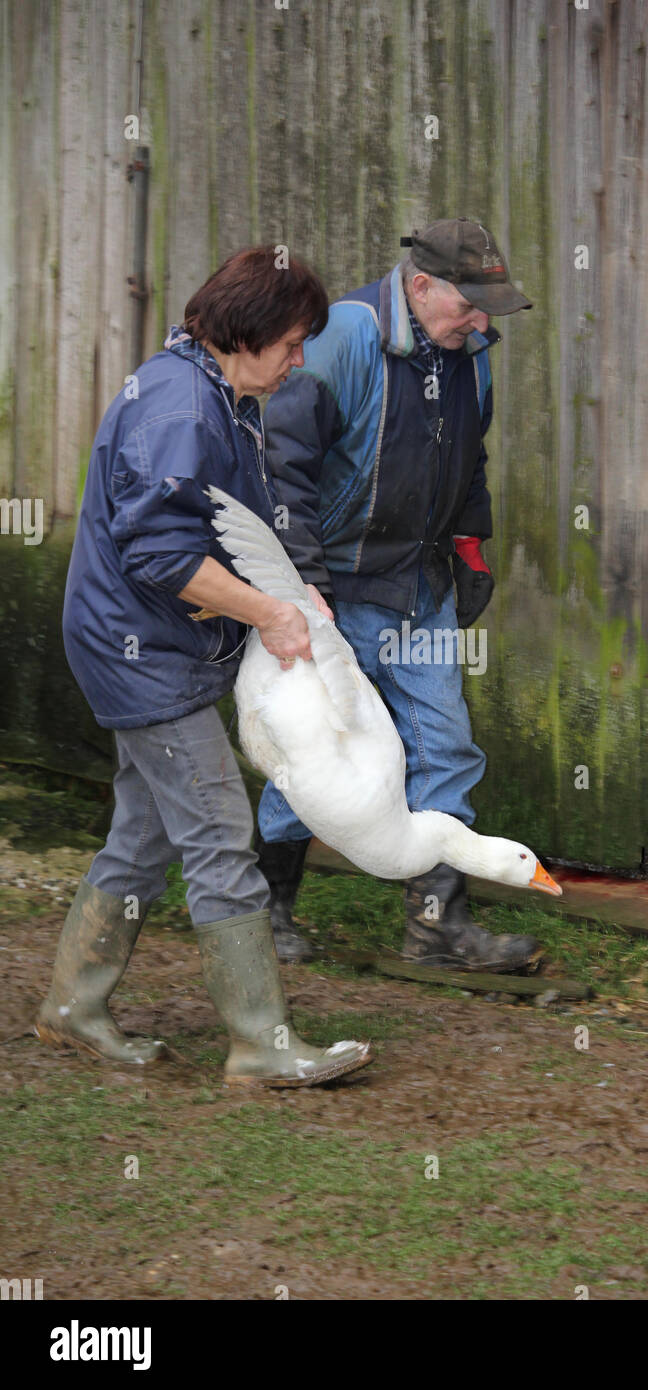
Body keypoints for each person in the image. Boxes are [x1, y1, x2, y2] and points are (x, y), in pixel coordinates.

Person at [37, 246, 372, 1088]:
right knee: (221, 834)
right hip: (143, 654)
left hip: (151, 644)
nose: (299, 362)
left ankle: (72, 1010)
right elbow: (160, 553)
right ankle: (260, 1043)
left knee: (144, 833)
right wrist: (271, 615)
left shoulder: (209, 388)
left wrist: (293, 595)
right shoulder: (185, 407)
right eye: (293, 343)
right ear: (249, 332)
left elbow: (225, 526)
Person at [256, 217, 545, 973]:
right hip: (334, 588)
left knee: (444, 744)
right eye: (468, 304)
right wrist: (302, 588)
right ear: (420, 286)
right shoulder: (343, 339)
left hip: (418, 586)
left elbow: (467, 462)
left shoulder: (469, 353)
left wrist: (469, 544)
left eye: (488, 307)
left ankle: (437, 929)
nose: (481, 321)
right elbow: (281, 466)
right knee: (316, 757)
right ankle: (265, 911)